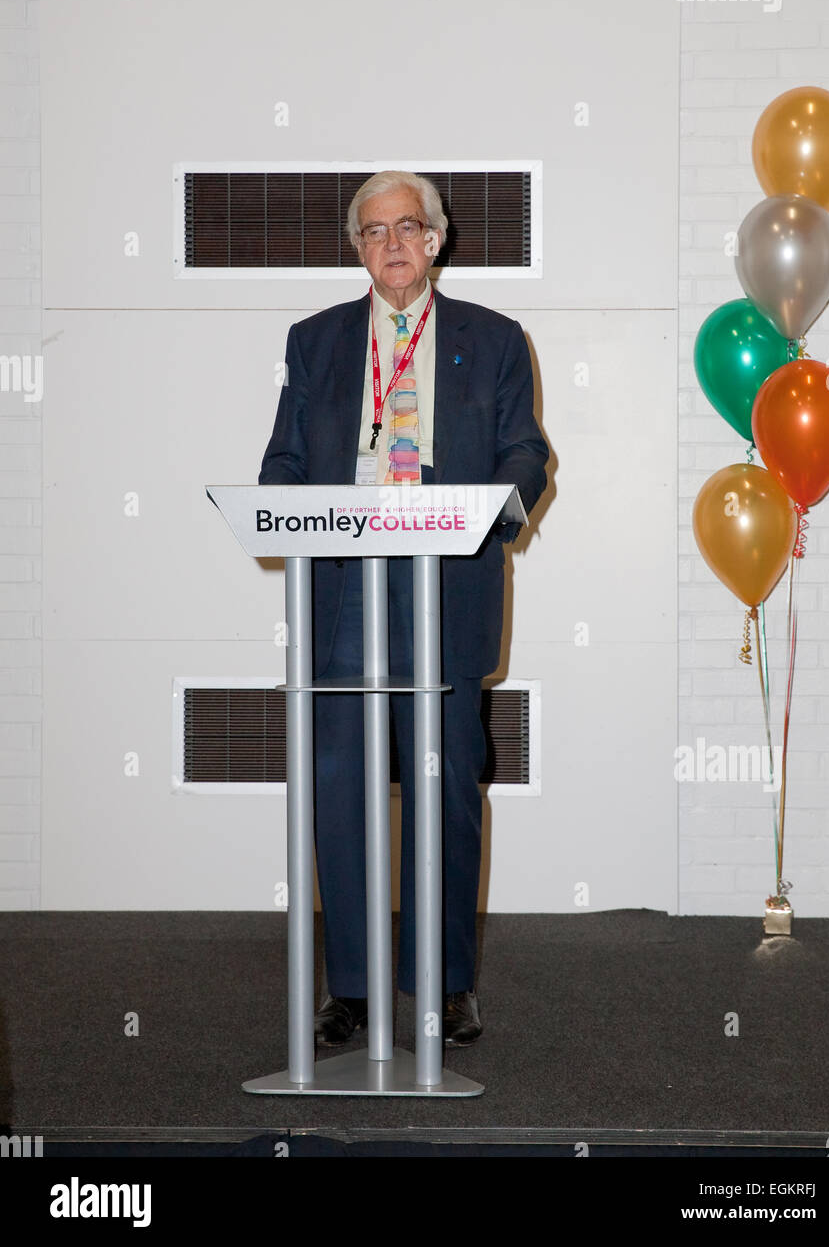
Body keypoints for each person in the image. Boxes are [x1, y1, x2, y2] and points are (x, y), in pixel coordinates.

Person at [259, 170, 548, 1046]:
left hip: (445, 588)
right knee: (340, 790)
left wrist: (494, 512)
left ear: (436, 239)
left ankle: (445, 981)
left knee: (444, 791)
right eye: (373, 230)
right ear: (358, 247)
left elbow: (527, 452)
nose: (392, 243)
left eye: (408, 226)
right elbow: (281, 463)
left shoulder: (493, 340)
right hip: (345, 590)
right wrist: (282, 509)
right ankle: (350, 987)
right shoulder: (316, 341)